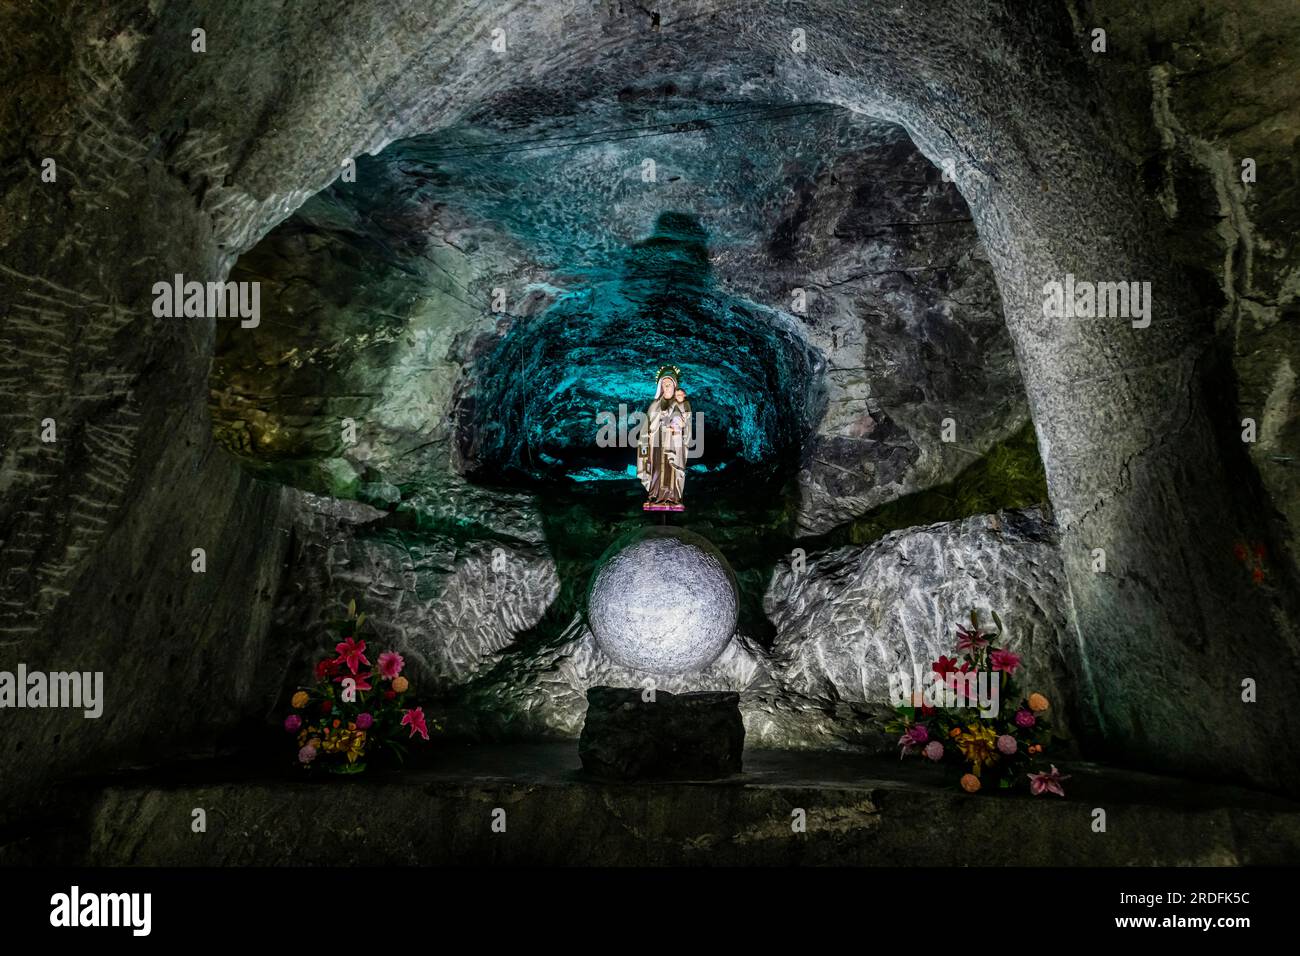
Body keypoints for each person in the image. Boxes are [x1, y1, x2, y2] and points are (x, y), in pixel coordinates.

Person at [636, 367, 691, 508]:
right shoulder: (654, 405)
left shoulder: (681, 404)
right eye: (664, 384)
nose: (667, 387)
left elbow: (686, 423)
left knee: (671, 468)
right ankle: (654, 496)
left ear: (674, 386)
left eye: (669, 384)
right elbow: (646, 426)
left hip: (673, 442)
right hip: (656, 443)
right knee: (655, 469)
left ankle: (672, 498)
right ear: (660, 386)